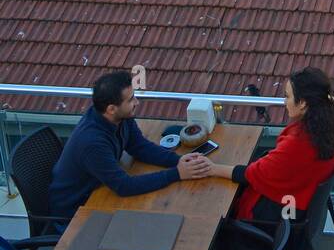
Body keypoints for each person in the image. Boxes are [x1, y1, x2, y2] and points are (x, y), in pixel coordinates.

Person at [47, 70, 212, 227]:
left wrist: (177, 161)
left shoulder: (118, 117)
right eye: (131, 99)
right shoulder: (92, 143)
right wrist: (177, 173)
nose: (137, 103)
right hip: (75, 213)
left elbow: (139, 146)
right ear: (111, 109)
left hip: (99, 191)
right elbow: (124, 186)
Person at [205, 68, 334, 229]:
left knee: (217, 214)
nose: (284, 102)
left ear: (302, 103)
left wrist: (211, 168)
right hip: (302, 208)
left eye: (287, 96)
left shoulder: (298, 143)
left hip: (284, 218)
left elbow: (251, 174)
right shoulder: (333, 130)